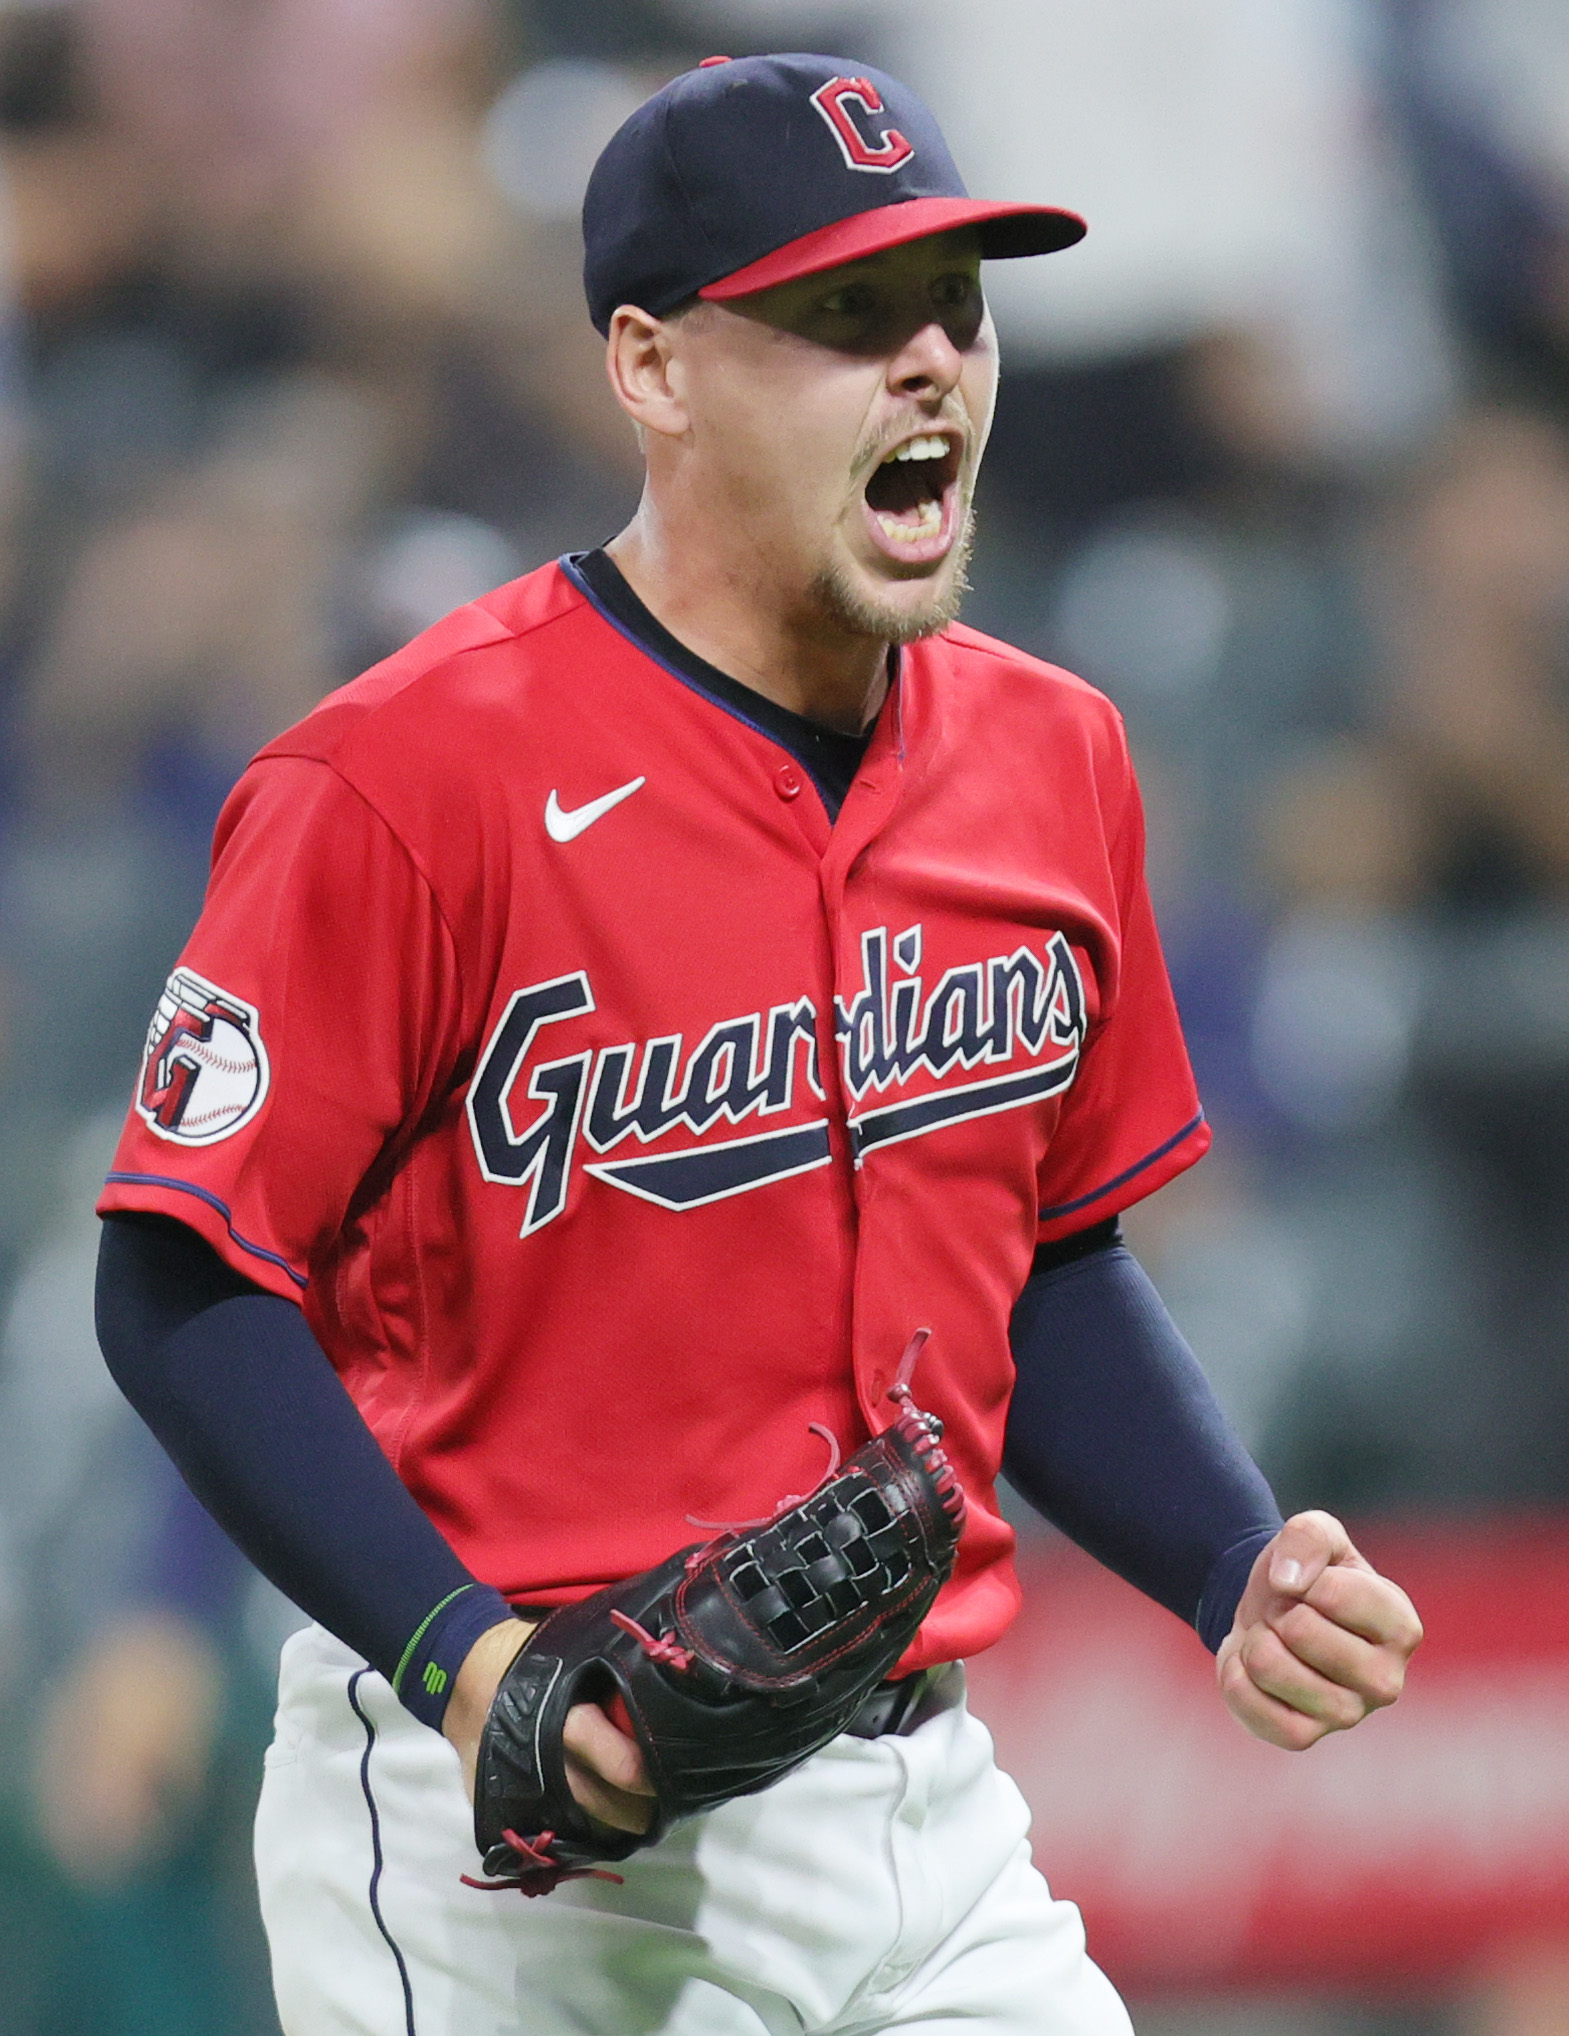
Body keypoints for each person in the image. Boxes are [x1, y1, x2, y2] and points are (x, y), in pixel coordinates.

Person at [93, 53, 1422, 2036]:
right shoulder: (403, 780)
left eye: (953, 308)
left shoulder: (1052, 756)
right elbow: (179, 1277)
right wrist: (464, 1660)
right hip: (508, 1852)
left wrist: (1227, 1555)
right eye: (840, 316)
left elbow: (1044, 1261)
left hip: (916, 1802)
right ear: (651, 367)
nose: (928, 368)